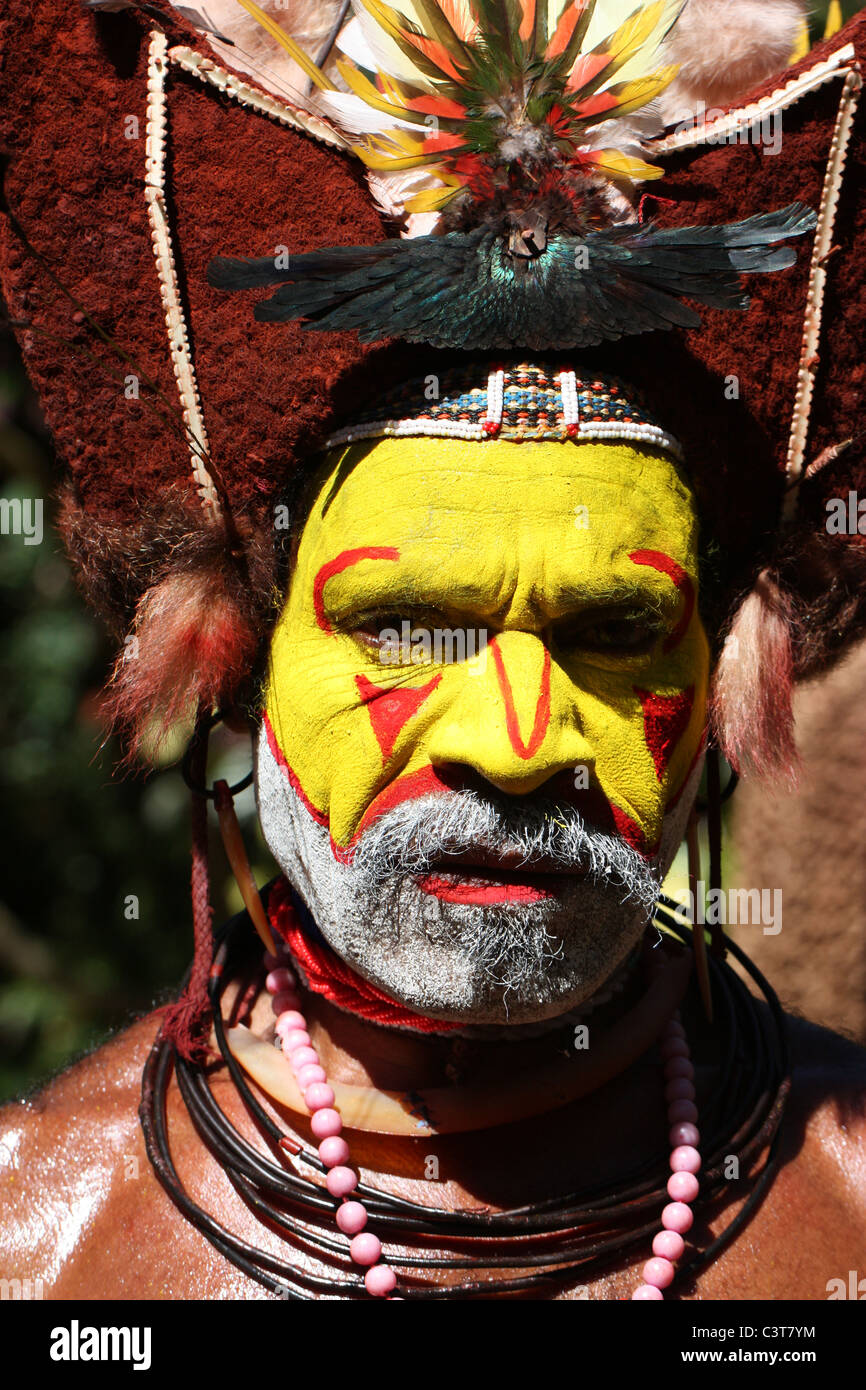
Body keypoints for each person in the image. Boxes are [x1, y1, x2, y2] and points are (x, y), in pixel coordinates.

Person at [1, 0, 865, 1302]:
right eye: (406, 627)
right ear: (241, 653)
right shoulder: (43, 1247)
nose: (514, 744)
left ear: (717, 675)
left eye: (615, 631)